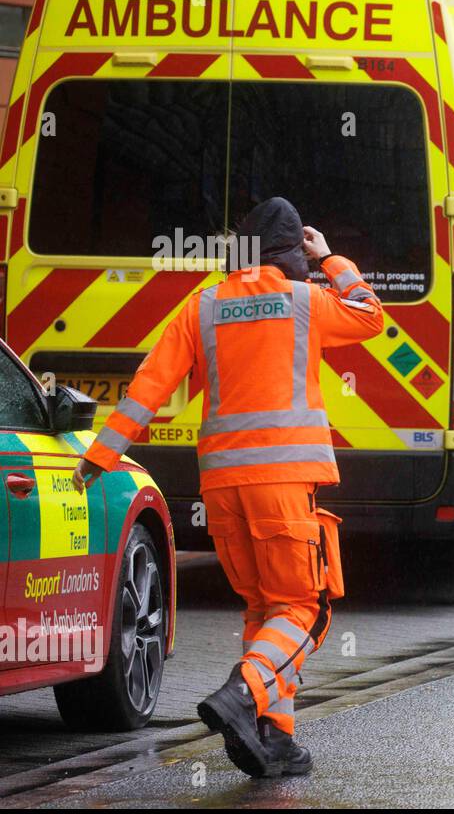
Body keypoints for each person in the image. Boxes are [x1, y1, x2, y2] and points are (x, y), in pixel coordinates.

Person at [73, 197, 384, 776]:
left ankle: (273, 736)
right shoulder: (304, 300)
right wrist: (332, 260)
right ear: (295, 254)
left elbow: (150, 384)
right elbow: (369, 314)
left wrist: (100, 454)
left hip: (220, 487)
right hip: (283, 482)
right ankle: (244, 694)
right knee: (303, 610)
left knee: (265, 609)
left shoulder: (204, 306)